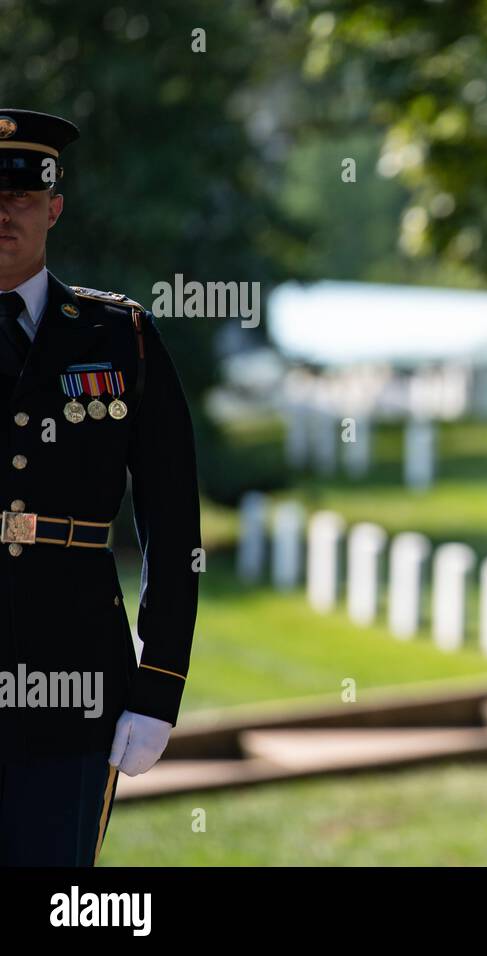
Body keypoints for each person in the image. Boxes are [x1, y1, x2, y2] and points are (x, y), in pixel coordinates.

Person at [0, 109, 201, 865]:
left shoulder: (122, 335)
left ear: (53, 207)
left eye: (20, 196)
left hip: (75, 680)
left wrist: (160, 685)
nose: (3, 213)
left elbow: (174, 525)